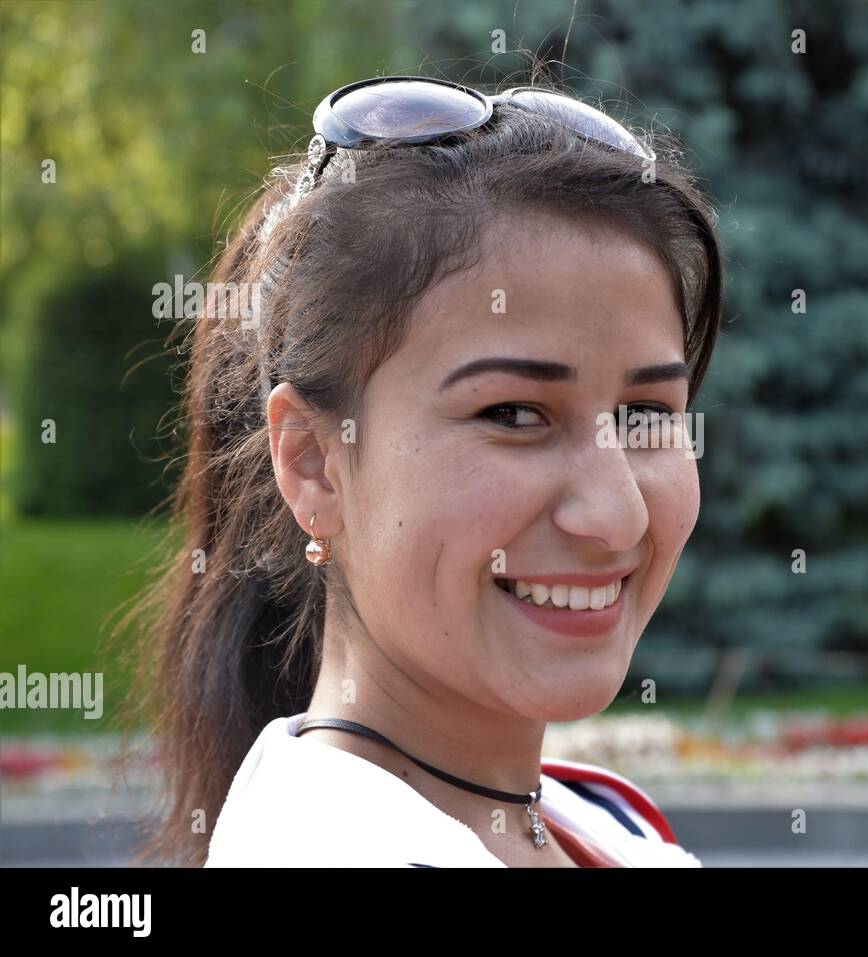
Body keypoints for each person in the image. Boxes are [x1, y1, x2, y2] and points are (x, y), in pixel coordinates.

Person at [121, 74, 723, 867]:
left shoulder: (606, 823)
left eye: (646, 414)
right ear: (313, 463)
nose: (619, 516)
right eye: (512, 413)